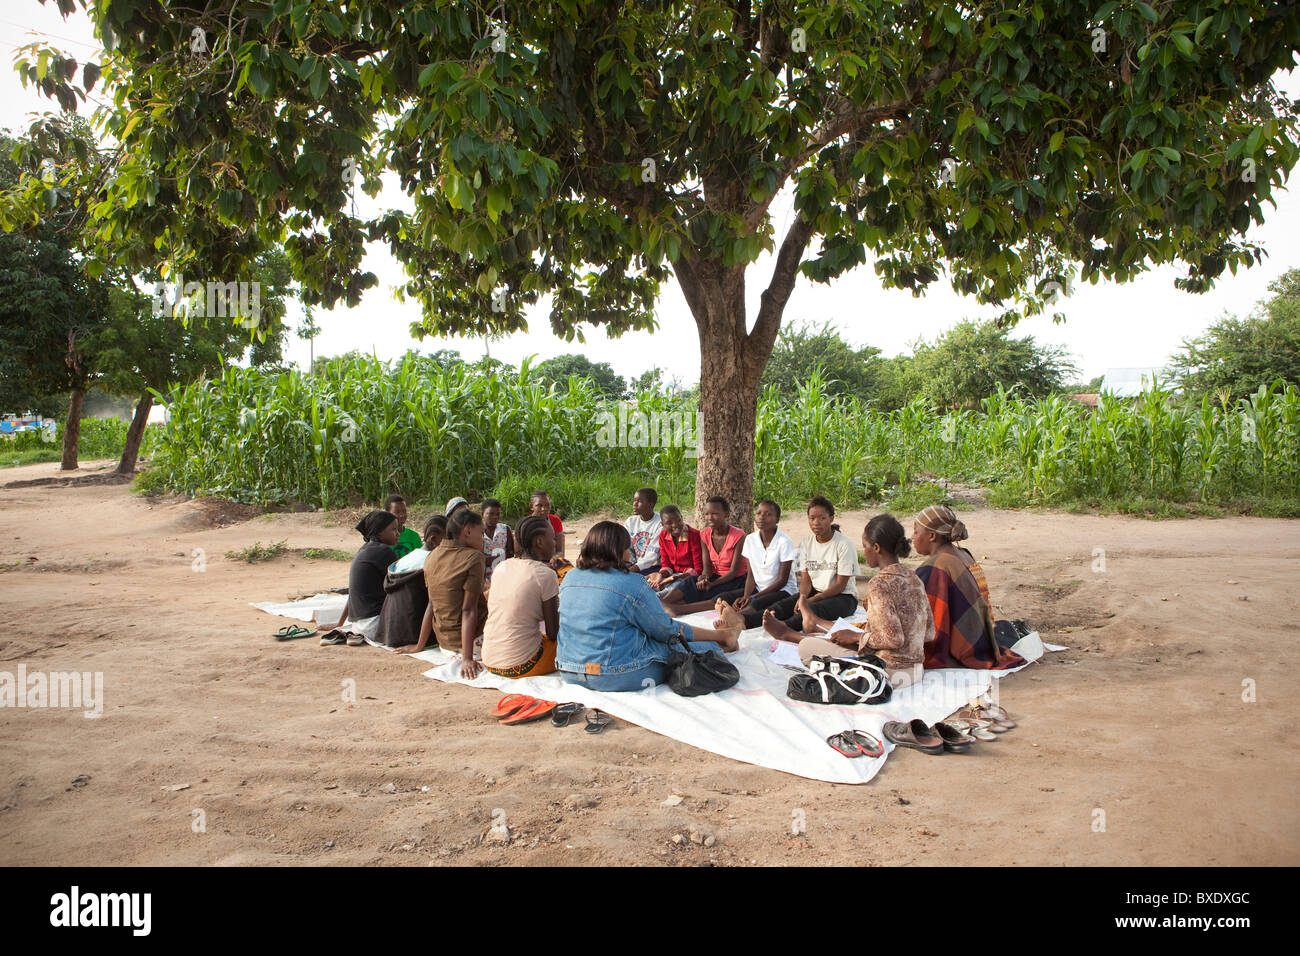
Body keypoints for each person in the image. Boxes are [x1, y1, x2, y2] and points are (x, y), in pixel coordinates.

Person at [556, 521, 740, 691]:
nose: (630, 553)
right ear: (619, 551)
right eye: (628, 548)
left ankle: (722, 639)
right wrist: (717, 635)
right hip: (615, 674)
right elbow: (666, 630)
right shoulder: (630, 582)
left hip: (569, 670)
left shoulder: (570, 577)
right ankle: (724, 639)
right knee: (683, 646)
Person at [753, 514, 931, 689]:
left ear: (876, 548)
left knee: (807, 647)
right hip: (916, 669)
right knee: (841, 636)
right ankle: (810, 627)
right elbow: (930, 632)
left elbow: (893, 639)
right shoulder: (914, 578)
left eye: (865, 546)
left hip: (889, 672)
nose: (864, 551)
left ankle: (790, 635)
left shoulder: (880, 583)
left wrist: (857, 637)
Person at [911, 505, 1024, 670]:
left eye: (915, 531)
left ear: (931, 536)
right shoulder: (963, 553)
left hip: (966, 647)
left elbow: (925, 619)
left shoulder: (936, 566)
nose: (912, 537)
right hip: (983, 637)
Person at [399, 508, 488, 678]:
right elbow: (468, 611)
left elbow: (431, 605)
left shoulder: (433, 555)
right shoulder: (474, 557)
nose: (483, 538)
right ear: (467, 531)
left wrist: (419, 645)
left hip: (445, 644)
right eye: (481, 532)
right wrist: (467, 659)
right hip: (472, 645)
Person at [761, 495, 859, 632]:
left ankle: (784, 628)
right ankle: (744, 620)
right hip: (816, 591)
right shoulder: (806, 543)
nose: (816, 523)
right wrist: (802, 597)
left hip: (843, 597)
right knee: (784, 605)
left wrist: (812, 600)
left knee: (811, 610)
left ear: (831, 518)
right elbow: (805, 580)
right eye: (812, 518)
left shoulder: (844, 544)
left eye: (822, 518)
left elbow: (840, 585)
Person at [481, 516, 560, 678]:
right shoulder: (546, 575)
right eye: (552, 538)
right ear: (539, 542)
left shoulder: (502, 567)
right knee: (574, 646)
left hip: (489, 659)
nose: (555, 543)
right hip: (522, 664)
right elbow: (553, 633)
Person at [319, 510, 399, 647]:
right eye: (394, 529)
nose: (398, 533)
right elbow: (401, 586)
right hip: (375, 625)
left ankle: (347, 633)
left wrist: (340, 623)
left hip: (358, 626)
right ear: (379, 532)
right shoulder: (384, 552)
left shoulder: (364, 549)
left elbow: (353, 593)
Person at [661, 496, 747, 613]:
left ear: (726, 514)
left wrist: (712, 584)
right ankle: (662, 603)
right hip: (715, 576)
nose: (709, 518)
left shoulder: (739, 536)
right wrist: (703, 578)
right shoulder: (705, 534)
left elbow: (733, 572)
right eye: (706, 514)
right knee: (691, 582)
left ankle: (678, 609)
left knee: (718, 593)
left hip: (736, 580)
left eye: (715, 514)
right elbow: (707, 569)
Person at [377, 516, 447, 648]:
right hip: (413, 632)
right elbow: (434, 603)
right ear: (433, 539)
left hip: (390, 630)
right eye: (448, 540)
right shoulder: (434, 562)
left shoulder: (408, 557)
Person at [731, 499, 797, 628]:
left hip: (783, 590)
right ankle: (735, 615)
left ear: (777, 519)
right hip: (759, 589)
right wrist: (746, 596)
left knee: (757, 604)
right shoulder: (750, 539)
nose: (762, 517)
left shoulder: (784, 542)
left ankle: (736, 619)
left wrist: (753, 597)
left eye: (768, 514)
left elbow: (782, 581)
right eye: (759, 513)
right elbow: (750, 575)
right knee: (729, 597)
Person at [646, 504, 701, 597]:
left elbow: (698, 569)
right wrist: (662, 575)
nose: (675, 525)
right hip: (673, 575)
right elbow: (666, 564)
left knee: (677, 585)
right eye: (669, 523)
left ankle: (661, 598)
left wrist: (675, 578)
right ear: (662, 524)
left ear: (682, 518)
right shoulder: (663, 536)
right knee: (651, 583)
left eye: (678, 520)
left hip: (688, 576)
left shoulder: (693, 535)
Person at [624, 487, 662, 575]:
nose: (634, 504)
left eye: (639, 501)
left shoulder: (660, 523)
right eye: (634, 500)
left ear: (650, 505)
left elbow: (653, 556)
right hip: (633, 565)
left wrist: (633, 569)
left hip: (652, 567)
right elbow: (623, 546)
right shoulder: (630, 522)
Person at [481, 498, 515, 583]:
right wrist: (499, 558)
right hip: (482, 574)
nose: (495, 517)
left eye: (498, 514)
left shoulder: (505, 529)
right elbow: (479, 558)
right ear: (482, 514)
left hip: (503, 571)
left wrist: (489, 559)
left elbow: (510, 553)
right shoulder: (478, 532)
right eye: (491, 514)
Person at [529, 490, 566, 562]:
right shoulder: (525, 525)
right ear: (531, 506)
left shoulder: (556, 521)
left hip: (551, 561)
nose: (544, 509)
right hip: (532, 562)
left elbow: (560, 551)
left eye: (547, 505)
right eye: (539, 505)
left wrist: (554, 558)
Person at [386, 494, 423, 559]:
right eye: (397, 512)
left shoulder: (414, 536)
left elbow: (420, 559)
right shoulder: (384, 537)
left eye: (404, 511)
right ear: (387, 513)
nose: (402, 515)